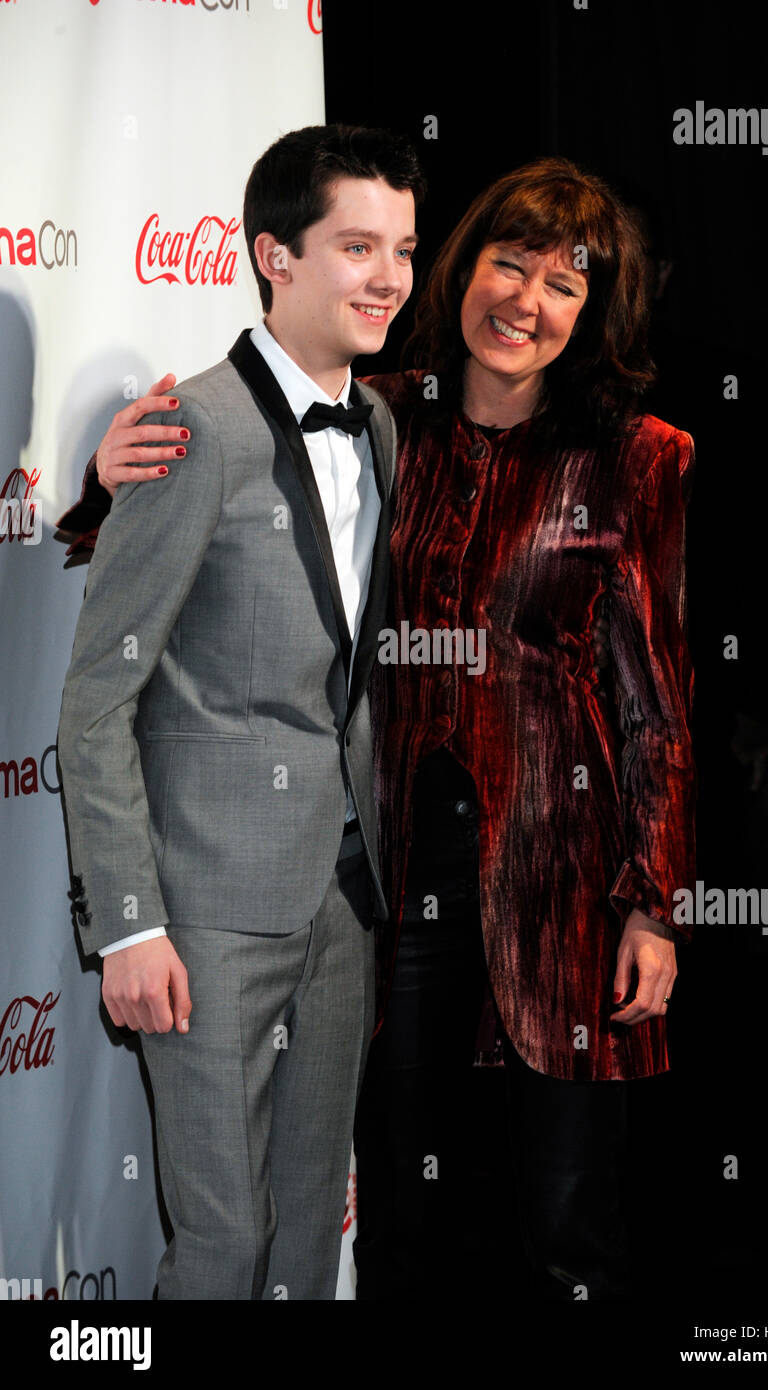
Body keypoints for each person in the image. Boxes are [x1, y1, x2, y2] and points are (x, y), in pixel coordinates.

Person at [60, 156, 695, 1302]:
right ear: (467, 272)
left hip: (557, 879)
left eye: (567, 283)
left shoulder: (635, 454)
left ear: (596, 307)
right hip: (390, 890)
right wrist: (107, 482)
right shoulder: (392, 413)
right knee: (396, 1207)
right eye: (508, 262)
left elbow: (656, 694)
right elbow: (191, 513)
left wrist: (655, 895)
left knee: (562, 1217)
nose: (527, 300)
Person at [55, 123, 425, 1300]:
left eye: (405, 250)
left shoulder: (378, 426)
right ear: (275, 254)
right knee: (218, 1251)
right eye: (356, 246)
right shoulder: (191, 427)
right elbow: (98, 695)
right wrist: (127, 925)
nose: (389, 278)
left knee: (312, 1235)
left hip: (343, 900)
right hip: (203, 916)